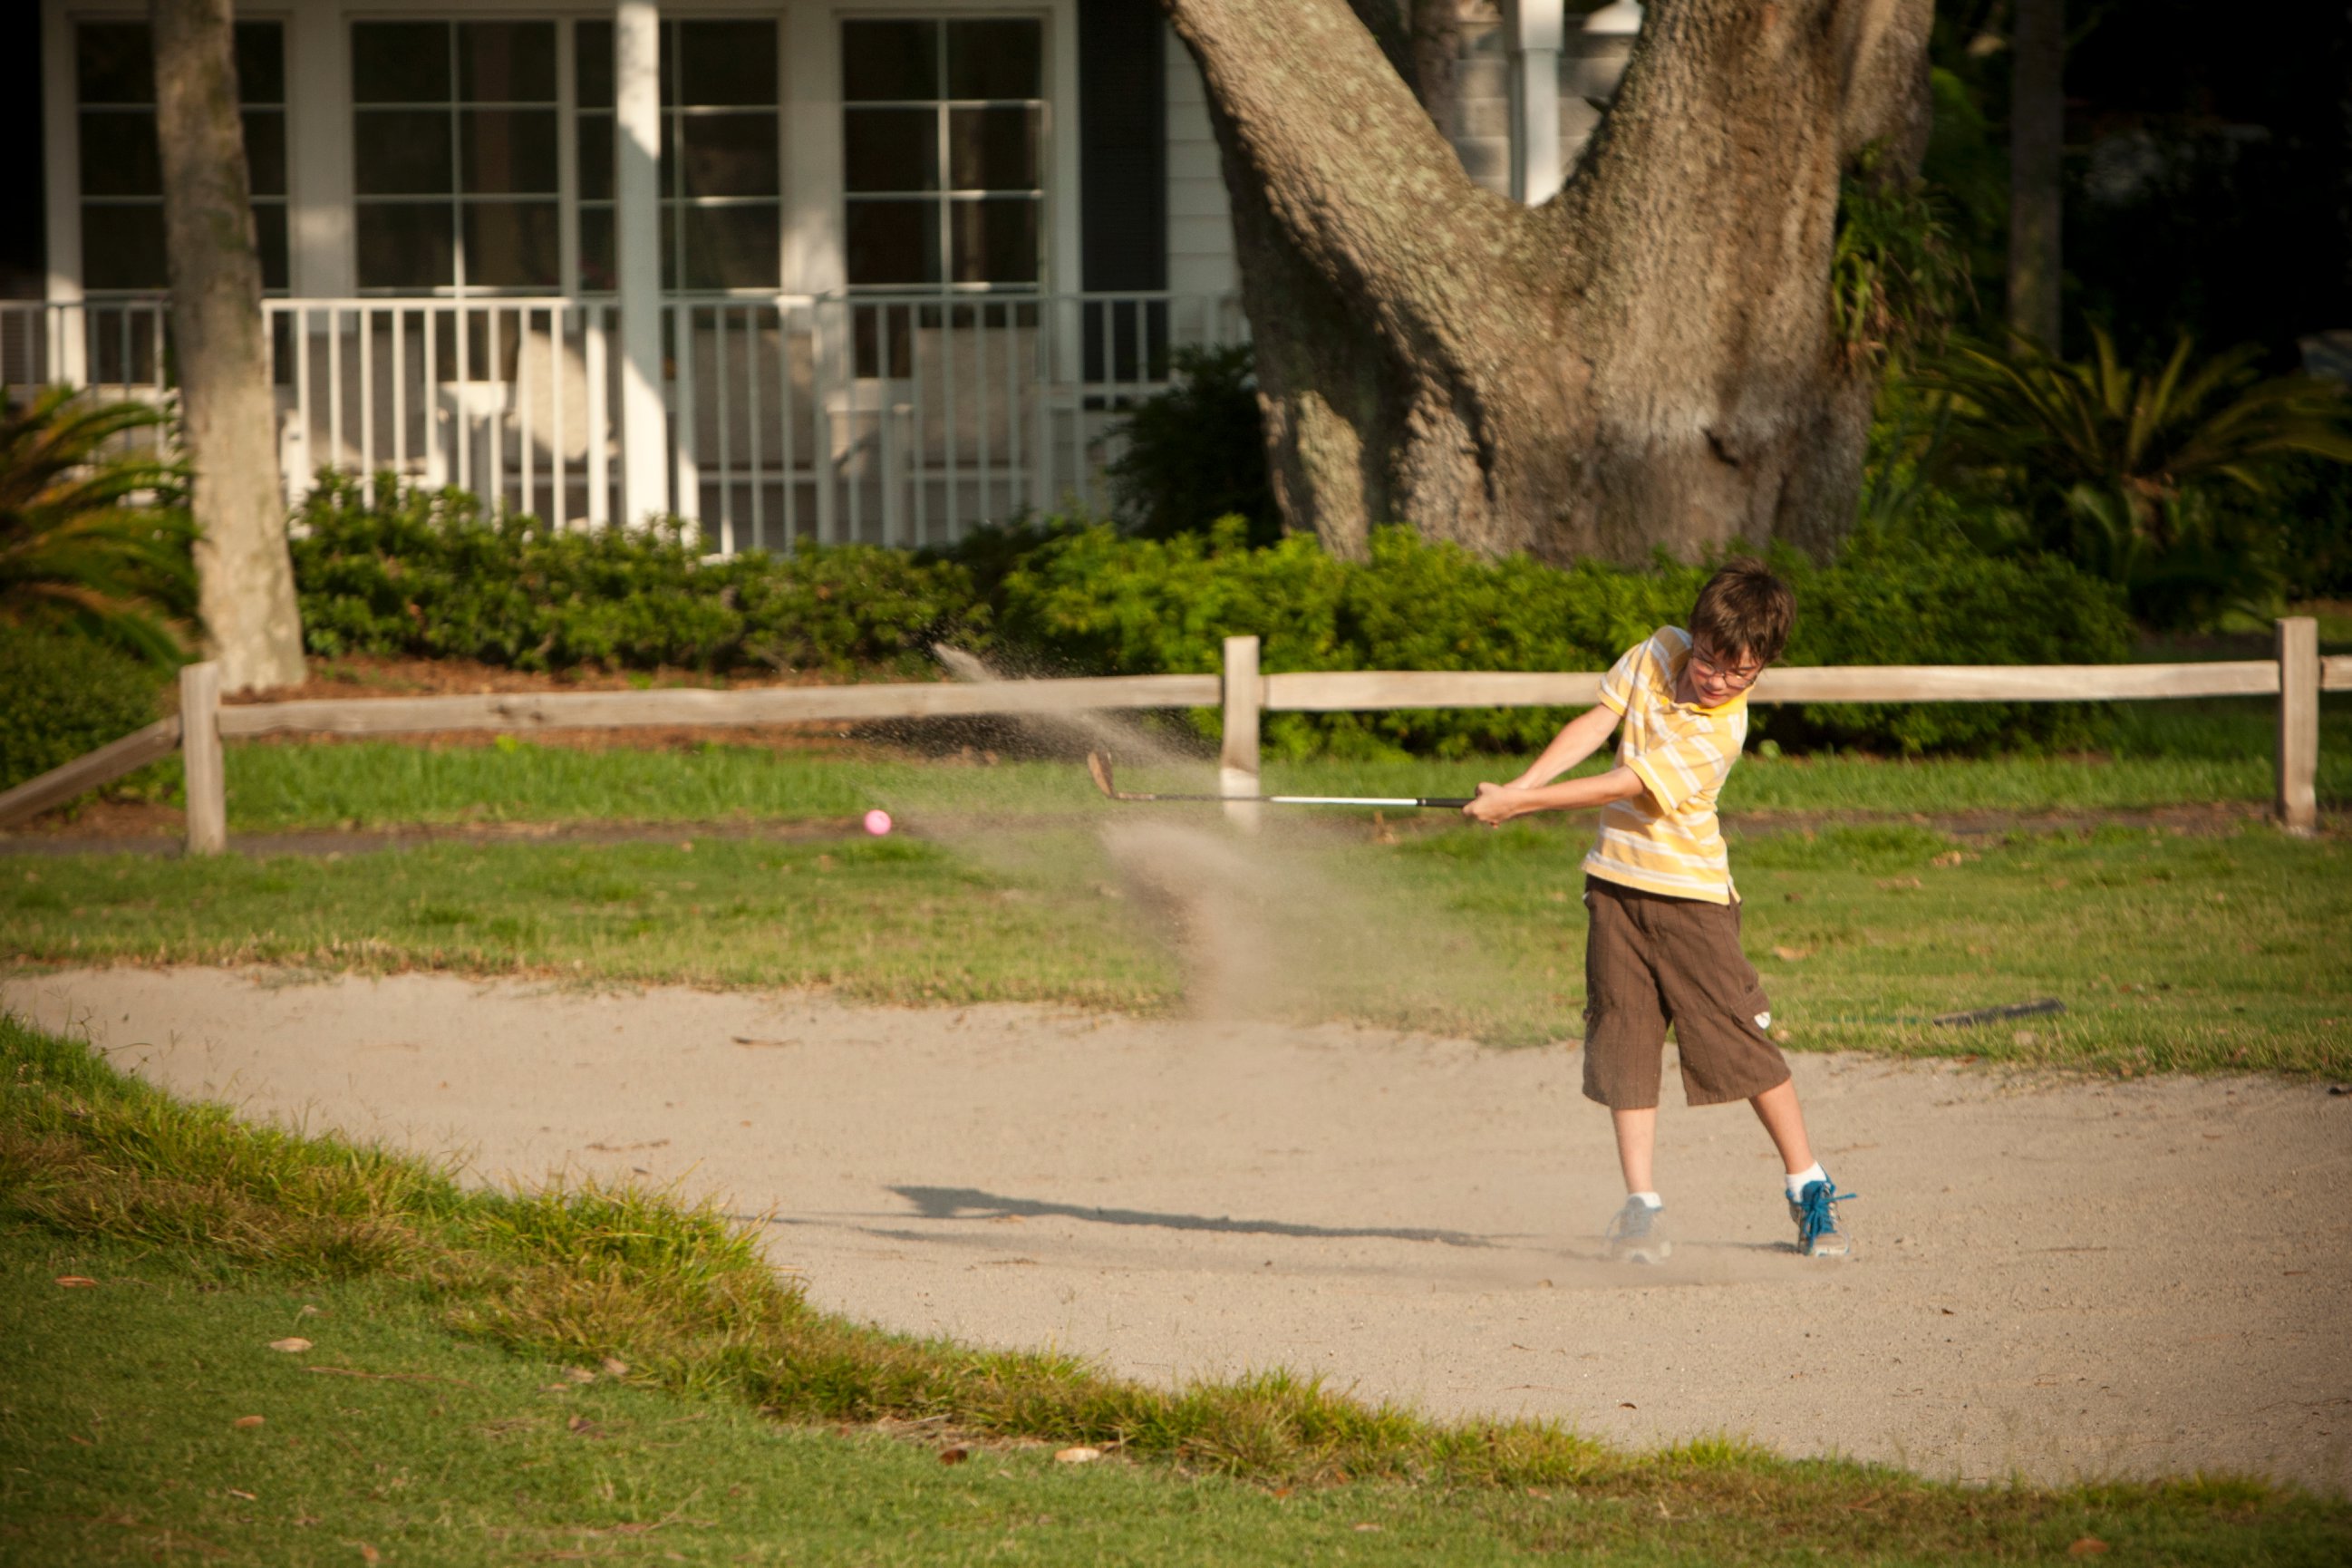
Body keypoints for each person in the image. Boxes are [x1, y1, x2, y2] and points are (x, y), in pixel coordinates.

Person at [1462, 559, 1853, 1261]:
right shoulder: (1658, 649)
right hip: (1614, 888)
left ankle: (1808, 1187)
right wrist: (1520, 785)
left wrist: (1520, 804)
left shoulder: (1719, 733)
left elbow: (1624, 782)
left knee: (1736, 1041)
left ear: (1761, 667)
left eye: (1738, 671)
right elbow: (1596, 723)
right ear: (1694, 635)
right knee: (1623, 1043)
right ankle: (1641, 1206)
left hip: (1692, 904)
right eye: (1708, 658)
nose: (1715, 678)